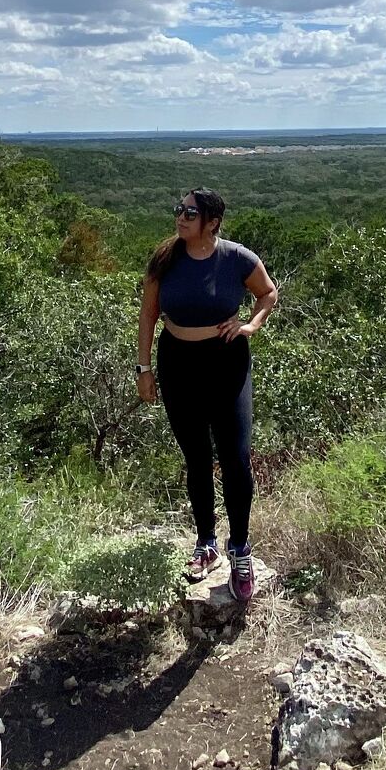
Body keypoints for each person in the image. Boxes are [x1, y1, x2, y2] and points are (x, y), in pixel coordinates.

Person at [137, 188, 278, 600]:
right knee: (196, 458)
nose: (180, 217)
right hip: (178, 363)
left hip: (226, 362)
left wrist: (252, 325)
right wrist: (144, 369)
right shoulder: (165, 259)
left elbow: (268, 293)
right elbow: (148, 314)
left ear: (212, 221)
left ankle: (240, 548)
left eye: (190, 212)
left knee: (236, 457)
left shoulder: (237, 258)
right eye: (179, 210)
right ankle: (206, 543)